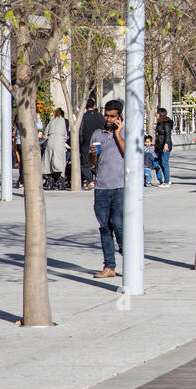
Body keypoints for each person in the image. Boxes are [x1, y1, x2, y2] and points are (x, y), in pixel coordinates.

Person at [89, 100, 125, 279]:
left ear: (119, 117)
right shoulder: (97, 134)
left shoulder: (126, 132)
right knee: (105, 228)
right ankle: (109, 266)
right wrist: (93, 155)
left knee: (118, 224)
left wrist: (118, 133)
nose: (109, 119)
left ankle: (129, 256)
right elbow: (92, 162)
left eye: (113, 116)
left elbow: (129, 153)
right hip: (101, 187)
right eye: (107, 115)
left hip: (120, 187)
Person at [78, 98, 103, 189]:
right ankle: (98, 179)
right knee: (99, 161)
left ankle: (90, 180)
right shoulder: (100, 117)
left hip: (86, 142)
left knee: (85, 164)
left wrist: (80, 142)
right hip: (98, 142)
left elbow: (80, 131)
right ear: (94, 106)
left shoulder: (82, 117)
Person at [43, 107, 69, 188]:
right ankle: (61, 182)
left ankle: (50, 182)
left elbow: (46, 133)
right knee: (60, 162)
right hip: (60, 142)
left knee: (49, 162)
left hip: (51, 141)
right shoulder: (64, 121)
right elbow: (66, 134)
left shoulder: (52, 121)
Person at [154, 106, 174, 187]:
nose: (156, 114)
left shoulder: (166, 123)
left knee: (164, 163)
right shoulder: (160, 122)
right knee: (160, 163)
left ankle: (166, 181)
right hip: (159, 145)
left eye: (157, 113)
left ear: (160, 114)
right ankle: (165, 179)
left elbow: (168, 135)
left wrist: (166, 144)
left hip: (165, 145)